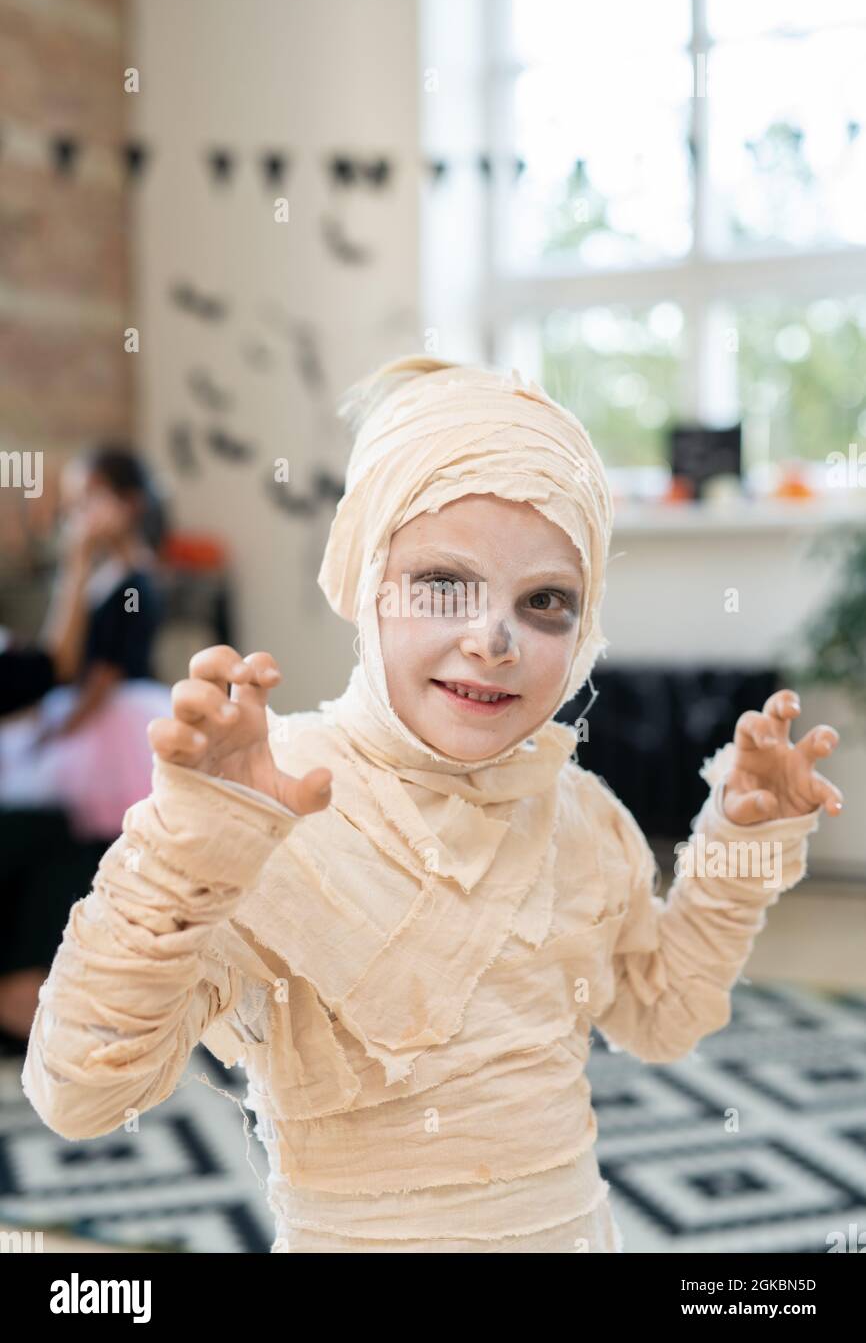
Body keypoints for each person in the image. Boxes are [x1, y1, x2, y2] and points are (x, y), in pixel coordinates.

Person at [20, 357, 843, 1253]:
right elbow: (79, 1092)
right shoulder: (275, 801)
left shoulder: (581, 815)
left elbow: (662, 1012)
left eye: (546, 603)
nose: (493, 640)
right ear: (367, 580)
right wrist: (185, 857)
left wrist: (742, 845)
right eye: (444, 584)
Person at [0, 448, 171, 1047]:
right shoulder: (100, 574)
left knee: (100, 829)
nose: (77, 516)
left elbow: (102, 673)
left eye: (88, 501)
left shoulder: (135, 578)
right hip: (82, 714)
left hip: (113, 719)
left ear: (127, 506)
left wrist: (65, 725)